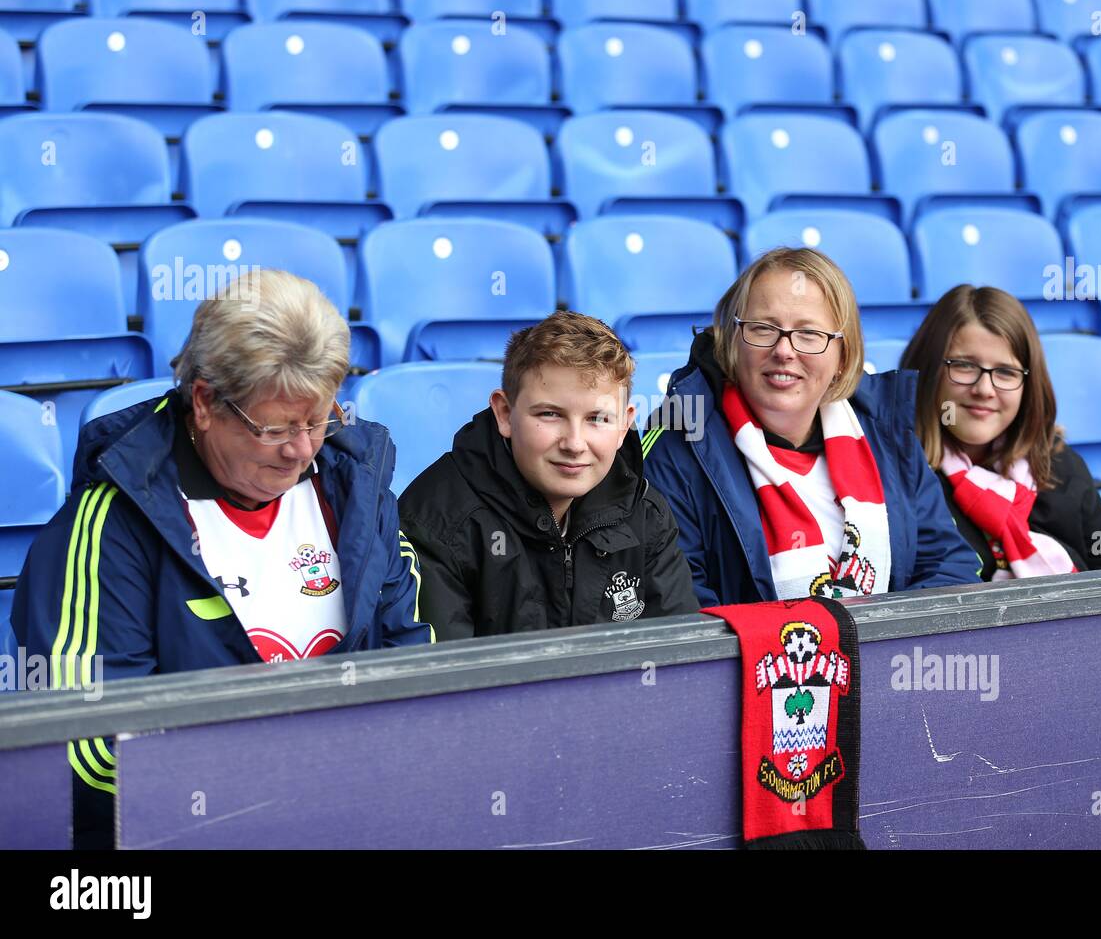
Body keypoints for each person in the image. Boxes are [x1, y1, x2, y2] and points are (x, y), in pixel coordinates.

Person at [12, 268, 430, 846]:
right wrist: (279, 790)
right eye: (276, 428)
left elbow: (412, 663)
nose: (301, 450)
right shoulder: (112, 525)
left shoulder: (354, 489)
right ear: (205, 402)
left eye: (318, 421)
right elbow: (90, 744)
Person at [641, 247, 982, 607]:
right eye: (763, 328)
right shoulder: (678, 445)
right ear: (732, 342)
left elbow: (950, 566)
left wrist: (874, 643)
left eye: (808, 334)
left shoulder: (888, 435)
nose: (784, 350)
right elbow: (680, 609)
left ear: (842, 356)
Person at [399, 311, 699, 638]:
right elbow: (447, 679)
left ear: (624, 424)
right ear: (504, 413)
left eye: (598, 419)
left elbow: (678, 662)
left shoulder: (645, 513)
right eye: (550, 414)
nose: (574, 443)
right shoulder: (436, 522)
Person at [899, 283, 1101, 580]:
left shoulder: (1059, 466)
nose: (984, 389)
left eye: (1005, 372)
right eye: (963, 366)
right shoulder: (900, 477)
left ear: (1029, 385)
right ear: (929, 369)